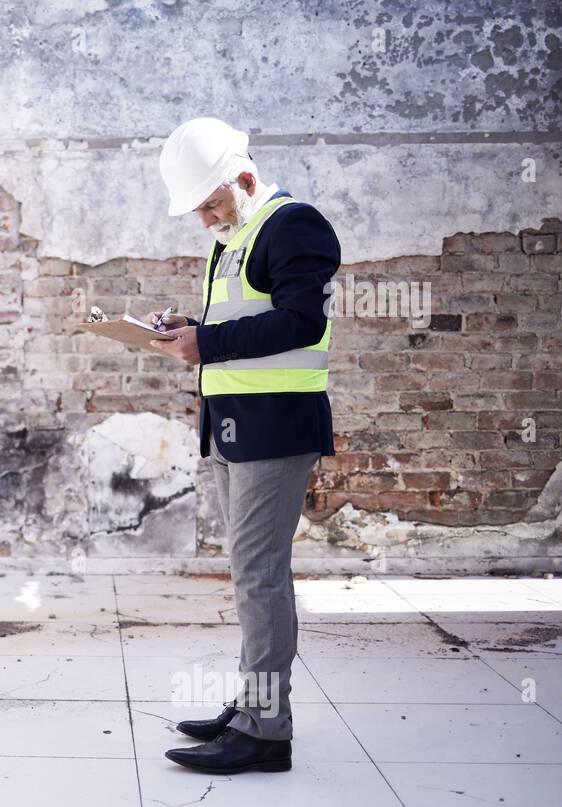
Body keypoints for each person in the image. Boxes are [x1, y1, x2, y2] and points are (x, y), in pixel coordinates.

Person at [146, 117, 340, 773]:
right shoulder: (234, 238)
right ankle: (254, 705)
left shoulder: (294, 225)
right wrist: (190, 330)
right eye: (199, 208)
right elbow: (244, 322)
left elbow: (300, 321)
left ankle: (266, 730)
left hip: (276, 428)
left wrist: (210, 343)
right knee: (252, 574)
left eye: (211, 203)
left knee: (259, 575)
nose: (205, 218)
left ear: (246, 179)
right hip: (236, 426)